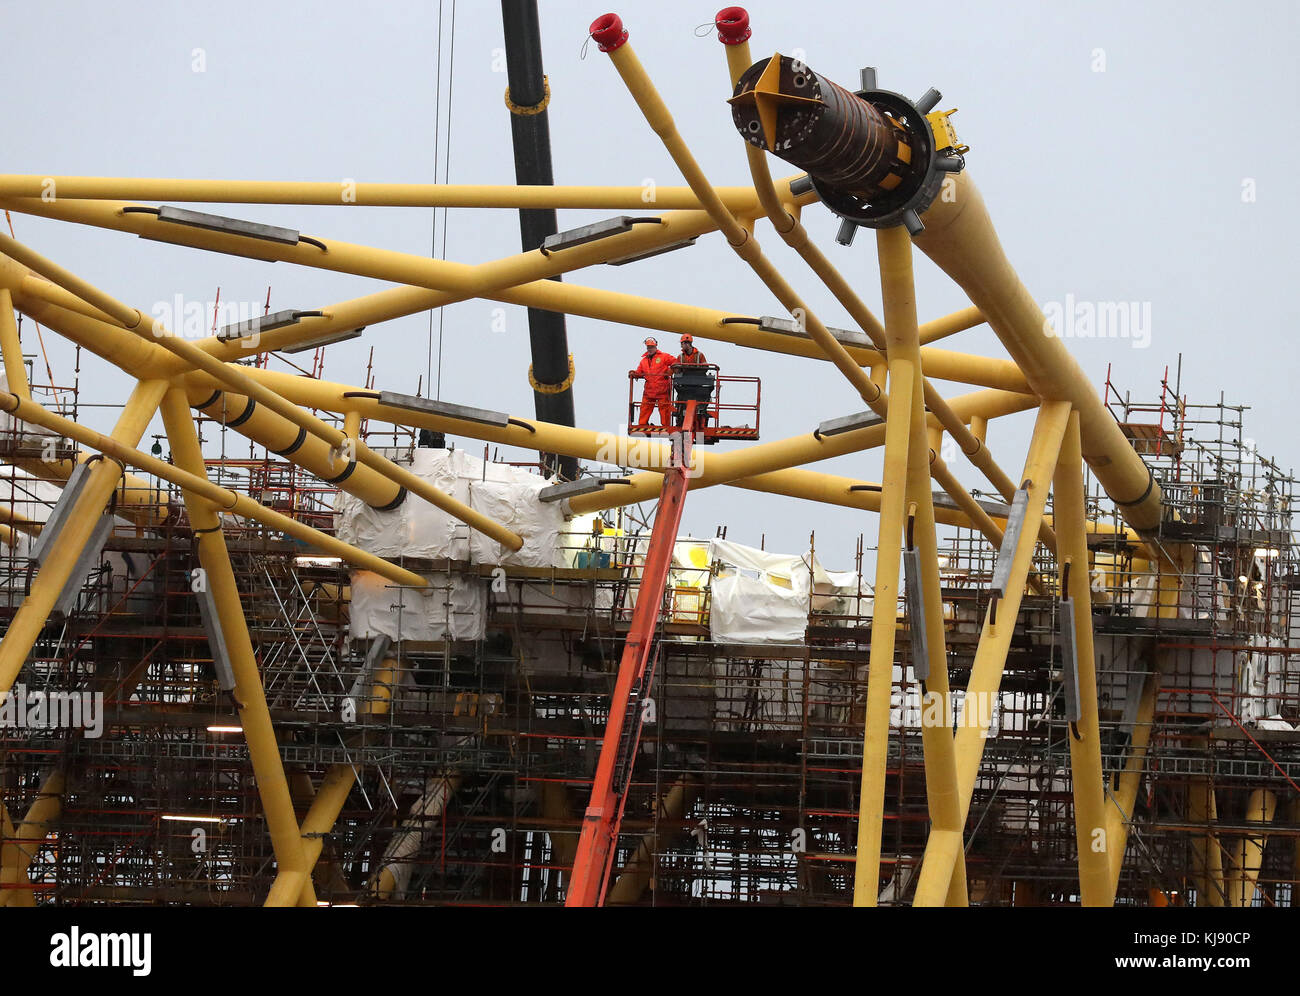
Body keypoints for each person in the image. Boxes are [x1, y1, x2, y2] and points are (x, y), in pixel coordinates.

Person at [629, 337, 677, 428]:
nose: (650, 349)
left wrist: (670, 371)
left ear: (655, 347)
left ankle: (666, 426)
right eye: (648, 347)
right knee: (645, 408)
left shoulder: (664, 357)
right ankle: (643, 425)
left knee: (664, 409)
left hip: (662, 390)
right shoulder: (643, 361)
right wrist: (634, 374)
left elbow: (676, 363)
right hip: (649, 391)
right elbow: (639, 372)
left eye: (651, 347)